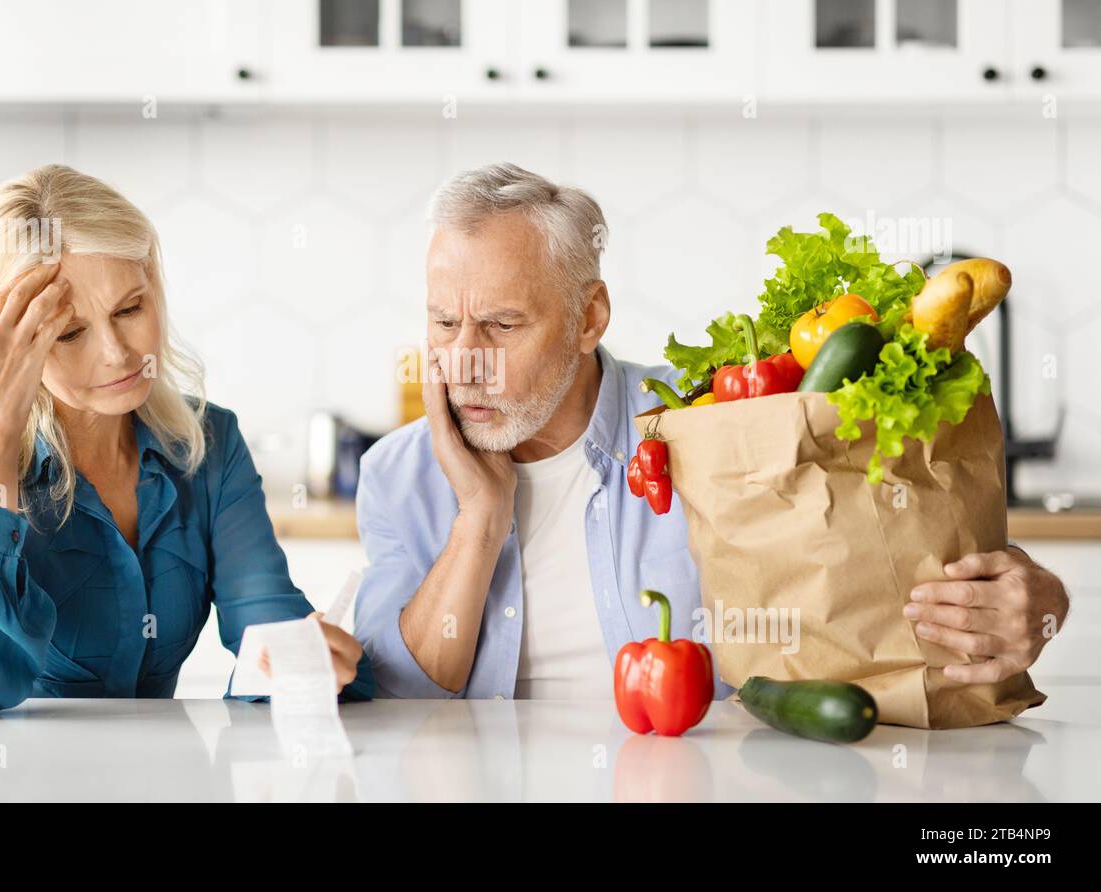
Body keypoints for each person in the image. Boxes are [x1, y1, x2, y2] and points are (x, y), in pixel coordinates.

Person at [352, 162, 1071, 700]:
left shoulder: (716, 421)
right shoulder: (398, 474)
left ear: (589, 318)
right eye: (443, 323)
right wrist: (480, 517)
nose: (463, 359)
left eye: (502, 325)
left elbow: (878, 557)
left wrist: (1035, 602)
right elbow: (408, 704)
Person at [0, 164, 371, 718]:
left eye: (130, 308)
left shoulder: (209, 443)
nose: (117, 353)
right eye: (71, 332)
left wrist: (307, 661)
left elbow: (268, 627)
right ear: (5, 341)